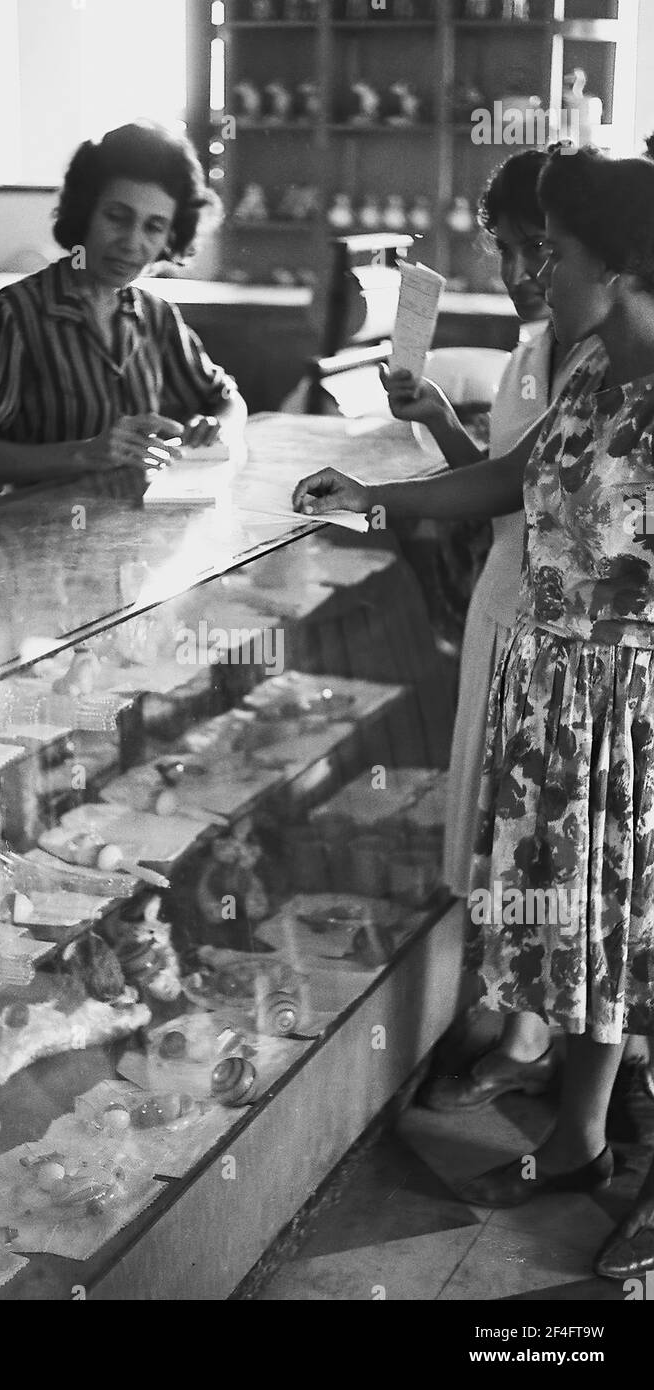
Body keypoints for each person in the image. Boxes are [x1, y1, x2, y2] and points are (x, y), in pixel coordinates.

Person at [292, 145, 654, 1280]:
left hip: (634, 702)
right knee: (592, 933)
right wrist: (374, 498)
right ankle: (580, 1137)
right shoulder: (593, 364)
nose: (536, 265)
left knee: (643, 940)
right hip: (562, 699)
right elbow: (508, 482)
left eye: (555, 245)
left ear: (622, 260)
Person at [380, 150, 587, 1115]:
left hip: (554, 625)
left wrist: (384, 492)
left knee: (538, 834)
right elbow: (507, 486)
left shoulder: (594, 353)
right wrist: (436, 424)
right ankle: (522, 1024)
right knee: (504, 828)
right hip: (503, 603)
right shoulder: (535, 347)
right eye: (503, 249)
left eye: (537, 250)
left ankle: (535, 1033)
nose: (516, 274)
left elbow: (522, 493)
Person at [0, 121, 246, 494]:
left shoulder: (157, 316)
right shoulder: (17, 313)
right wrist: (85, 454)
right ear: (85, 212)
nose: (132, 243)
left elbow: (227, 399)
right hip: (37, 536)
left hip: (134, 536)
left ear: (171, 237)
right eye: (117, 217)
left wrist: (217, 427)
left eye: (154, 227)